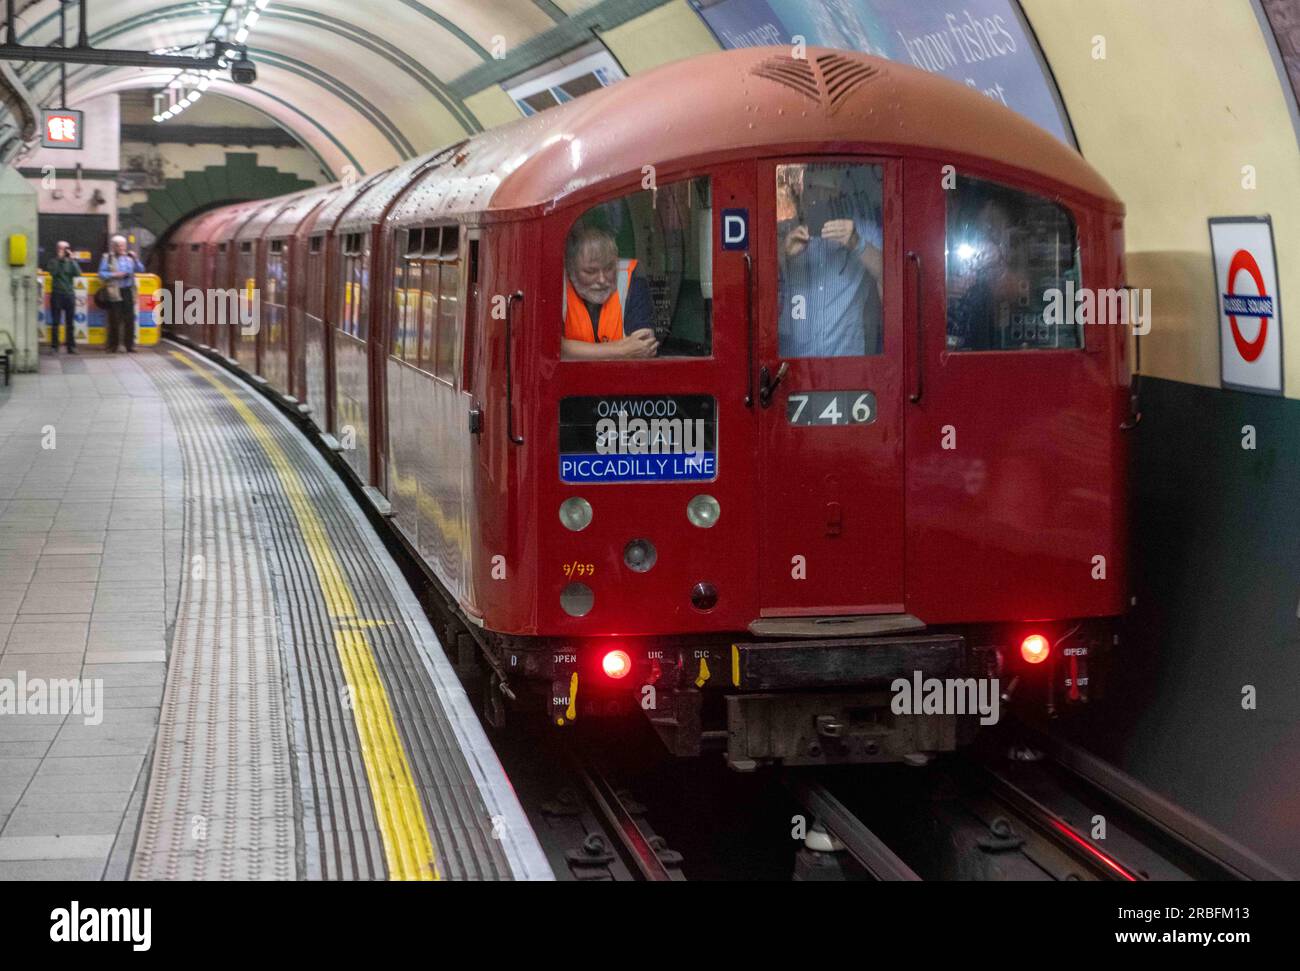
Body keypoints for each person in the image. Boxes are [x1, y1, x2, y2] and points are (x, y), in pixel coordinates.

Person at [777, 164, 884, 358]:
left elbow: (890, 278)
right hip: (792, 369)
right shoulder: (784, 232)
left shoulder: (862, 231)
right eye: (811, 188)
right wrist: (783, 253)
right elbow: (754, 283)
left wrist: (857, 244)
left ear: (838, 191)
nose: (818, 198)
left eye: (826, 189)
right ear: (802, 191)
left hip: (844, 366)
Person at [560, 224, 657, 361]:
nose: (602, 279)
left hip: (623, 377)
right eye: (590, 271)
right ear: (571, 269)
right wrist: (622, 350)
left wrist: (574, 350)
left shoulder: (631, 274)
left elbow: (645, 346)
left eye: (608, 268)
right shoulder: (558, 280)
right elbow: (554, 348)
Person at [98, 235, 144, 353]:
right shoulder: (107, 258)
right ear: (113, 247)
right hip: (114, 290)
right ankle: (113, 346)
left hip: (128, 290)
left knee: (129, 319)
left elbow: (141, 270)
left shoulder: (129, 258)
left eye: (123, 245)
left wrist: (136, 259)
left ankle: (130, 345)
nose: (121, 248)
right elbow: (101, 274)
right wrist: (115, 275)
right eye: (118, 245)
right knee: (114, 319)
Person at [45, 240, 80, 353]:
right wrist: (60, 260)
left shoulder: (71, 262)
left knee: (70, 323)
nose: (64, 251)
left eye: (66, 248)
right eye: (61, 248)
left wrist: (72, 260)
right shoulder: (53, 261)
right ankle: (54, 346)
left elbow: (78, 273)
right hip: (57, 294)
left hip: (69, 294)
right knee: (55, 322)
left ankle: (71, 346)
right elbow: (53, 272)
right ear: (57, 249)